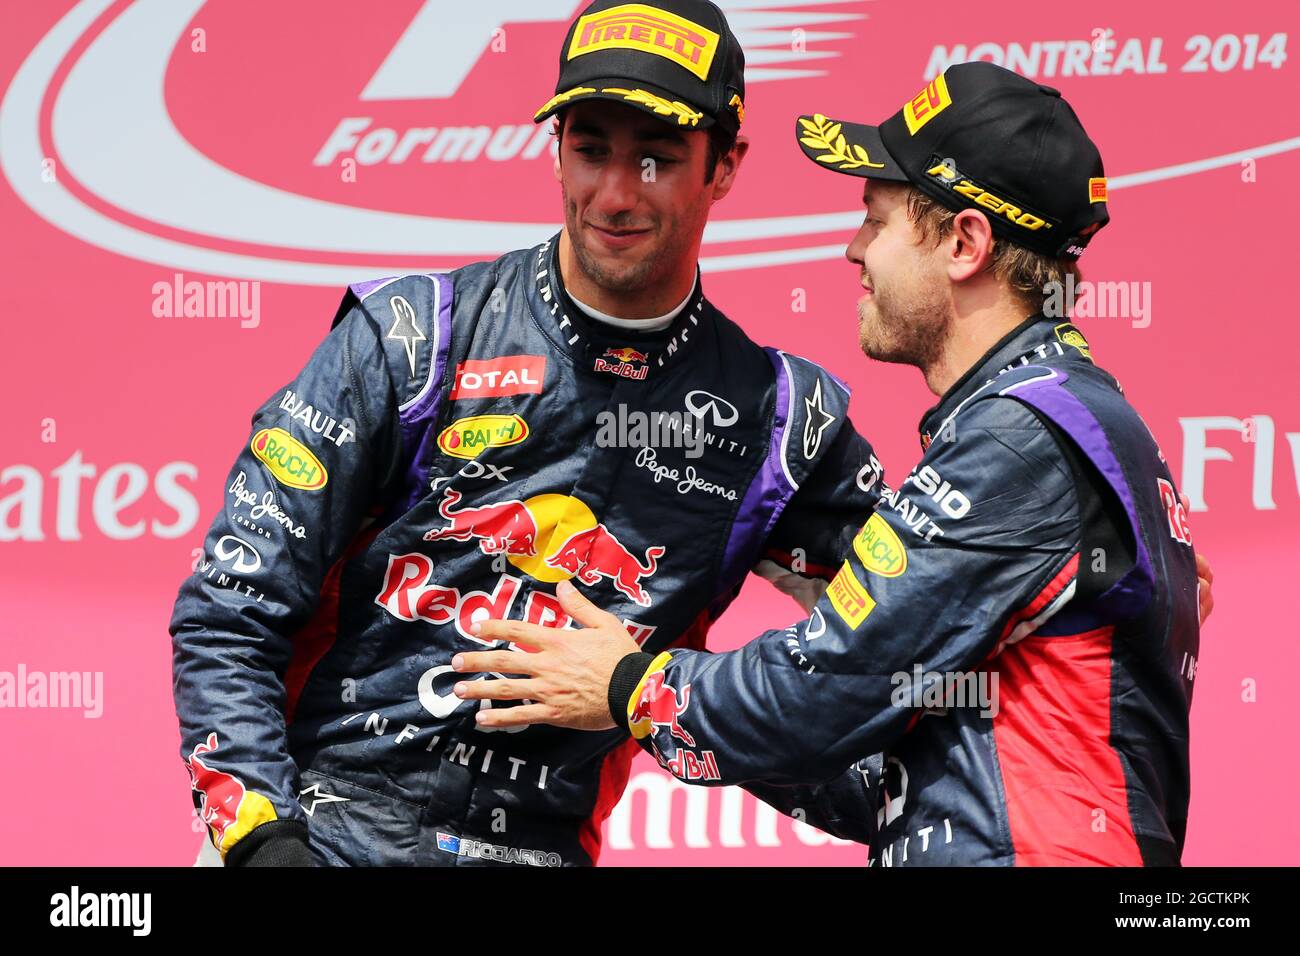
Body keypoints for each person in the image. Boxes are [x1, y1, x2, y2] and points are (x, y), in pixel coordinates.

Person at [171, 0, 884, 867]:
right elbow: (228, 612)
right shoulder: (414, 338)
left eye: (656, 159)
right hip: (322, 823)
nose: (615, 195)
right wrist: (259, 841)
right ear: (555, 148)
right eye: (590, 150)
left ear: (726, 165)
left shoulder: (779, 421)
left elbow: (898, 654)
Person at [457, 61, 1205, 866]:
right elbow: (866, 765)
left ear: (964, 242)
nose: (854, 251)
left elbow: (822, 692)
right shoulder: (1065, 420)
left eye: (876, 220)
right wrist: (677, 702)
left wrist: (631, 686)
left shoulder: (1021, 442)